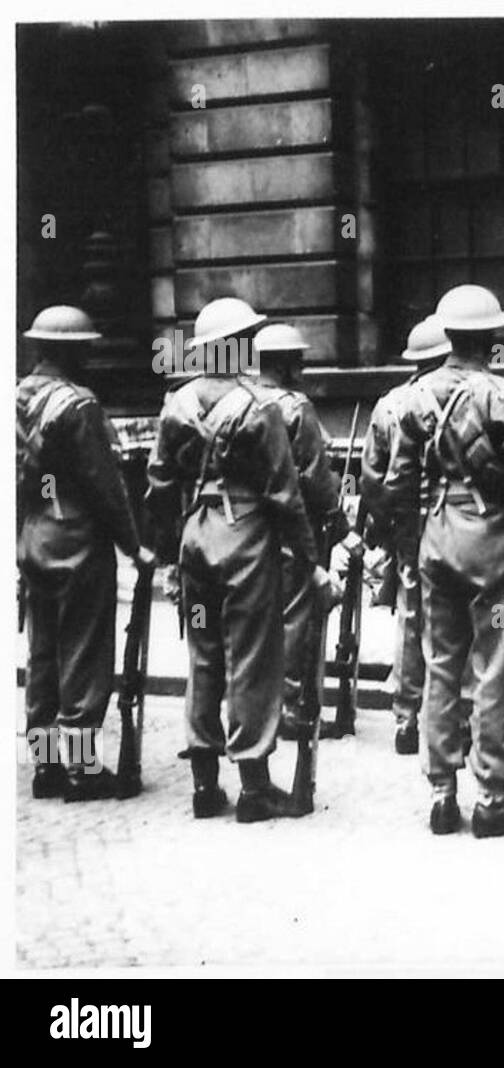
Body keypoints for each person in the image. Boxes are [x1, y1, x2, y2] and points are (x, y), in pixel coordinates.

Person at [381, 285, 504, 838]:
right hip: (490, 548)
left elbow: (397, 482)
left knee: (442, 662)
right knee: (493, 659)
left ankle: (442, 791)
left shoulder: (417, 397)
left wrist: (411, 541)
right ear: (492, 336)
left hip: (436, 543)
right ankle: (492, 795)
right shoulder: (501, 396)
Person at [146, 297, 331, 822]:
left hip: (196, 538)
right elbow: (284, 493)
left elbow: (158, 486)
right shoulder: (259, 406)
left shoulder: (177, 404)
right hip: (245, 538)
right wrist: (311, 560)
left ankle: (205, 783)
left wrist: (168, 555)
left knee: (204, 655)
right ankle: (254, 784)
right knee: (252, 656)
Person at [17, 305, 155, 801]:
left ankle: (46, 765)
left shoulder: (17, 397)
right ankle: (80, 770)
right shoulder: (78, 406)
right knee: (82, 653)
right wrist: (134, 547)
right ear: (73, 351)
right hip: (76, 540)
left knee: (42, 654)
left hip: (32, 535)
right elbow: (105, 487)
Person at [359, 316, 453, 754]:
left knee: (409, 613)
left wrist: (384, 525)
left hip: (405, 523)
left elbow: (372, 476)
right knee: (452, 618)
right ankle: (450, 714)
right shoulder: (459, 396)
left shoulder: (389, 403)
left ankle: (406, 715)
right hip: (450, 519)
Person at [251, 323, 345, 742]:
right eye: (299, 360)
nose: (303, 368)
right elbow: (315, 478)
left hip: (243, 529)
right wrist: (340, 527)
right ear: (286, 365)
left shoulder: (241, 400)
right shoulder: (295, 407)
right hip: (290, 528)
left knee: (254, 621)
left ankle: (253, 708)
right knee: (292, 618)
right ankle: (288, 708)